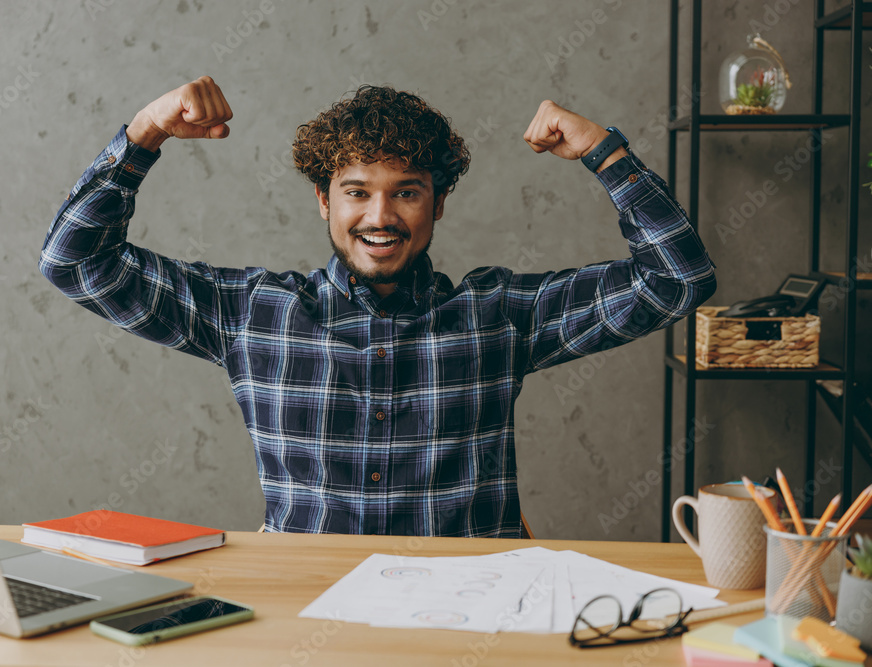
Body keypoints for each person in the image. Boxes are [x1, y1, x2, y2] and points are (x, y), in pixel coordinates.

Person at [40, 76, 716, 538]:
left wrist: (606, 154)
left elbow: (678, 278)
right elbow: (73, 261)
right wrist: (146, 131)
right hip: (309, 616)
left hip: (472, 620)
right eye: (357, 191)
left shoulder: (498, 314)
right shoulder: (252, 313)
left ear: (438, 203)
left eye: (407, 192)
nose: (380, 215)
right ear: (323, 200)